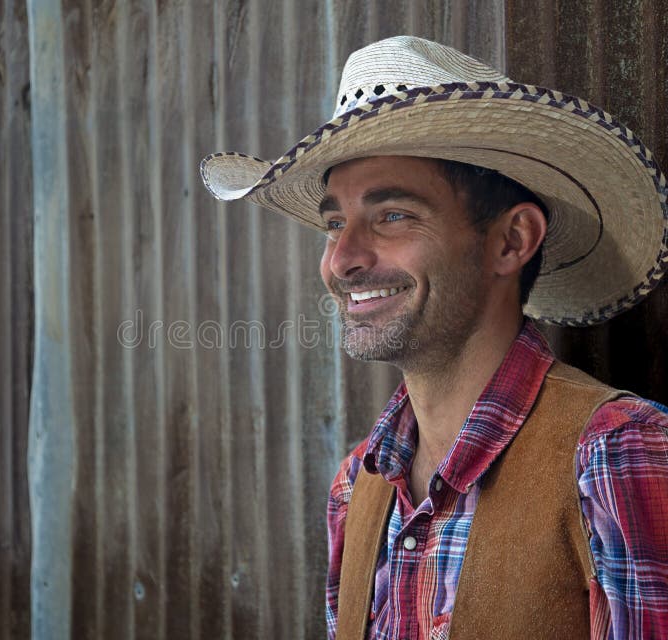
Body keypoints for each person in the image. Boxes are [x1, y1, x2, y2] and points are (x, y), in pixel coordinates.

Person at [201, 36, 668, 639]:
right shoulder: (357, 486)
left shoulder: (616, 454)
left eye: (392, 215)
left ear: (511, 241)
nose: (342, 260)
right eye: (334, 223)